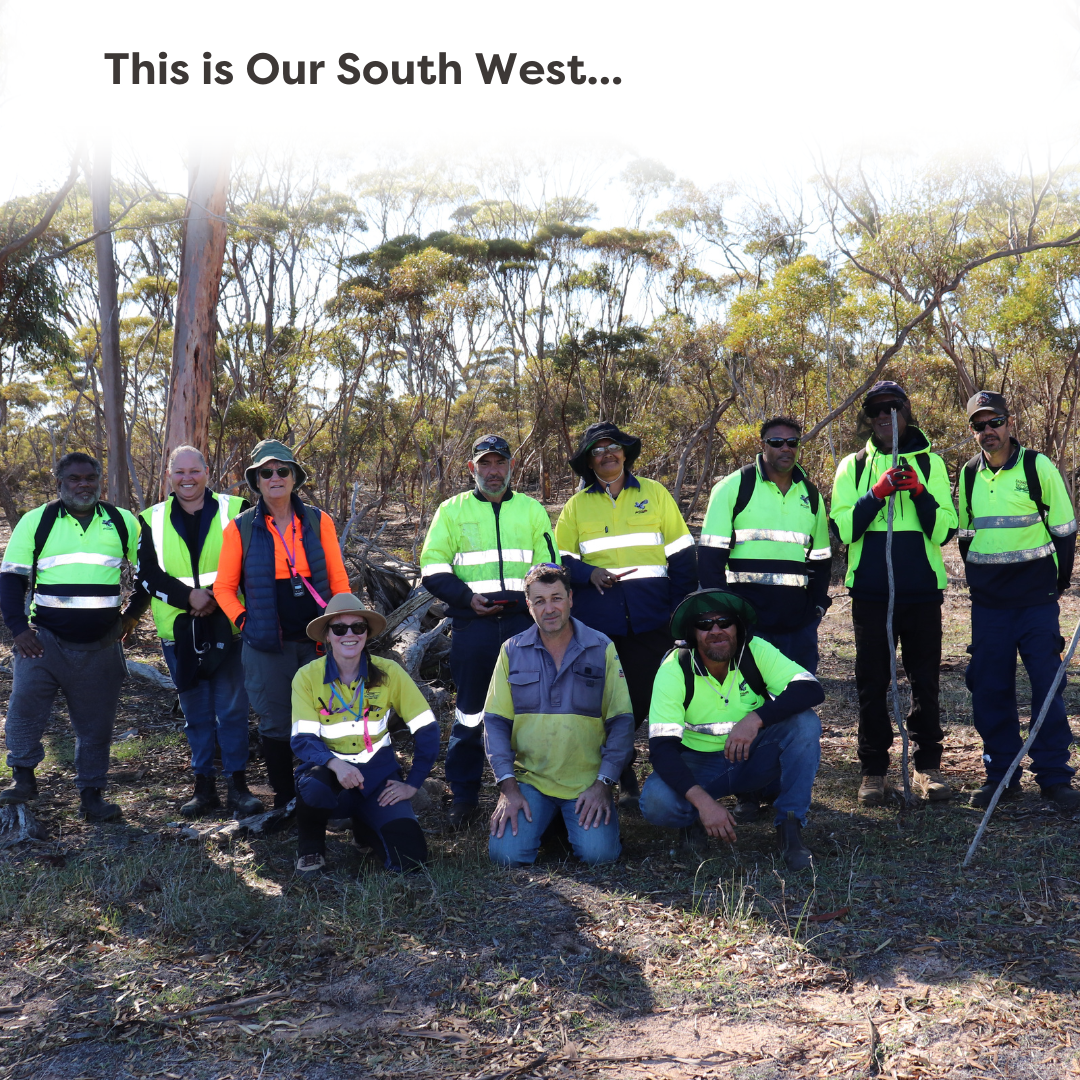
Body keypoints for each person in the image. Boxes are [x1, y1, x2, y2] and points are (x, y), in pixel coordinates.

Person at [555, 421, 697, 808]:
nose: (606, 454)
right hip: (601, 628)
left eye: (613, 447)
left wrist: (679, 614)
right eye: (597, 450)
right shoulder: (575, 507)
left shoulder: (654, 494)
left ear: (625, 453)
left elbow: (683, 556)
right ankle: (623, 773)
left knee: (659, 701)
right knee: (609, 706)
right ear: (589, 461)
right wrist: (589, 573)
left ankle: (672, 781)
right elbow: (562, 560)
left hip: (655, 623)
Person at [419, 434, 558, 829]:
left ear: (512, 466)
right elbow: (432, 567)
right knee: (469, 714)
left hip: (522, 625)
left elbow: (548, 566)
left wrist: (532, 607)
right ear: (472, 469)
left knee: (532, 710)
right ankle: (463, 797)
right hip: (473, 626)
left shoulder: (531, 510)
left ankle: (540, 791)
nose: (493, 472)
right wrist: (466, 598)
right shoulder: (451, 511)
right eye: (485, 464)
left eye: (500, 463)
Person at [829, 381, 958, 806]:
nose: (885, 417)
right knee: (871, 683)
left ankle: (928, 768)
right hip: (871, 594)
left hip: (921, 593)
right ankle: (873, 772)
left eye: (893, 408)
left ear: (907, 412)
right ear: (870, 418)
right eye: (876, 411)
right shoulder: (853, 466)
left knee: (925, 682)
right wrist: (877, 492)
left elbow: (943, 529)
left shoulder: (931, 462)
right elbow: (845, 529)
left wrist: (918, 491)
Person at [640, 589, 824, 870]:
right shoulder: (674, 669)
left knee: (805, 723)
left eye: (725, 622)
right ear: (692, 633)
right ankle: (694, 822)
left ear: (738, 627)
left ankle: (790, 828)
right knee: (655, 802)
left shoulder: (755, 650)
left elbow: (811, 689)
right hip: (697, 766)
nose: (716, 630)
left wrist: (755, 719)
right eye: (704, 624)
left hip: (752, 757)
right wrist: (704, 804)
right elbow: (662, 749)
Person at [0, 452, 139, 821]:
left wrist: (129, 618)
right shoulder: (36, 521)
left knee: (96, 726)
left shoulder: (122, 521)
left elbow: (148, 575)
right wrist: (19, 630)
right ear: (59, 483)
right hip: (44, 642)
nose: (83, 485)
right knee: (25, 708)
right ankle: (23, 779)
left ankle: (92, 796)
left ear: (99, 480)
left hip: (101, 647)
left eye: (90, 478)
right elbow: (11, 580)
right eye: (74, 479)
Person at [958, 390, 1080, 810]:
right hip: (989, 603)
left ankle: (1054, 778)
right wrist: (979, 583)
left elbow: (1064, 531)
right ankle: (1002, 775)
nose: (988, 431)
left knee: (1047, 685)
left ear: (1010, 423)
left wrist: (1058, 584)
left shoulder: (1037, 466)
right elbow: (966, 536)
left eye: (995, 422)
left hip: (1035, 600)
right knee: (989, 687)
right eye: (979, 425)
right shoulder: (969, 474)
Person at [214, 439, 351, 808]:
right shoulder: (239, 529)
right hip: (266, 646)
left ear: (294, 477)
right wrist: (245, 622)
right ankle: (285, 799)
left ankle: (325, 797)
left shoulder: (319, 521)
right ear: (256, 481)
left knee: (327, 718)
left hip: (318, 642)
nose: (275, 477)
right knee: (275, 724)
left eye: (282, 471)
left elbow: (338, 582)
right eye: (266, 472)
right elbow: (223, 589)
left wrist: (342, 628)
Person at [128, 445, 263, 818]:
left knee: (234, 710)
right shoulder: (150, 519)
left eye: (194, 471)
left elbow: (252, 565)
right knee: (195, 712)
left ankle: (238, 786)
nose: (187, 478)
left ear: (207, 471)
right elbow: (146, 575)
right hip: (178, 630)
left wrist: (215, 600)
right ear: (169, 475)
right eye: (179, 472)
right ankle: (203, 788)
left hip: (230, 626)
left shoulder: (235, 510)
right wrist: (188, 596)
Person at [484, 563, 634, 867]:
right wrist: (508, 789)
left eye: (556, 598)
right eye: (539, 601)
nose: (549, 608)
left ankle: (564, 824)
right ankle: (550, 822)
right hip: (531, 781)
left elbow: (621, 722)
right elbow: (495, 724)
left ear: (570, 599)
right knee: (505, 856)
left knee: (600, 856)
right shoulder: (511, 650)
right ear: (529, 606)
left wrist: (604, 784)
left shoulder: (601, 646)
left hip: (586, 781)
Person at [290, 593, 439, 873]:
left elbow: (427, 729)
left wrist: (413, 783)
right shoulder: (307, 677)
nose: (349, 634)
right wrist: (335, 765)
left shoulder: (389, 672)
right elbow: (303, 739)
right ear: (327, 635)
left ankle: (365, 829)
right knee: (314, 787)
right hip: (331, 775)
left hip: (378, 777)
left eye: (358, 627)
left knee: (411, 860)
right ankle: (310, 848)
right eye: (339, 628)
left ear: (367, 633)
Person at [699, 416, 832, 673]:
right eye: (776, 442)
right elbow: (709, 562)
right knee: (749, 704)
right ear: (763, 446)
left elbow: (821, 560)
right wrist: (728, 619)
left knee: (797, 701)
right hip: (748, 625)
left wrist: (816, 608)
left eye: (792, 442)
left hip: (798, 627)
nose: (786, 448)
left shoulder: (811, 495)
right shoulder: (733, 487)